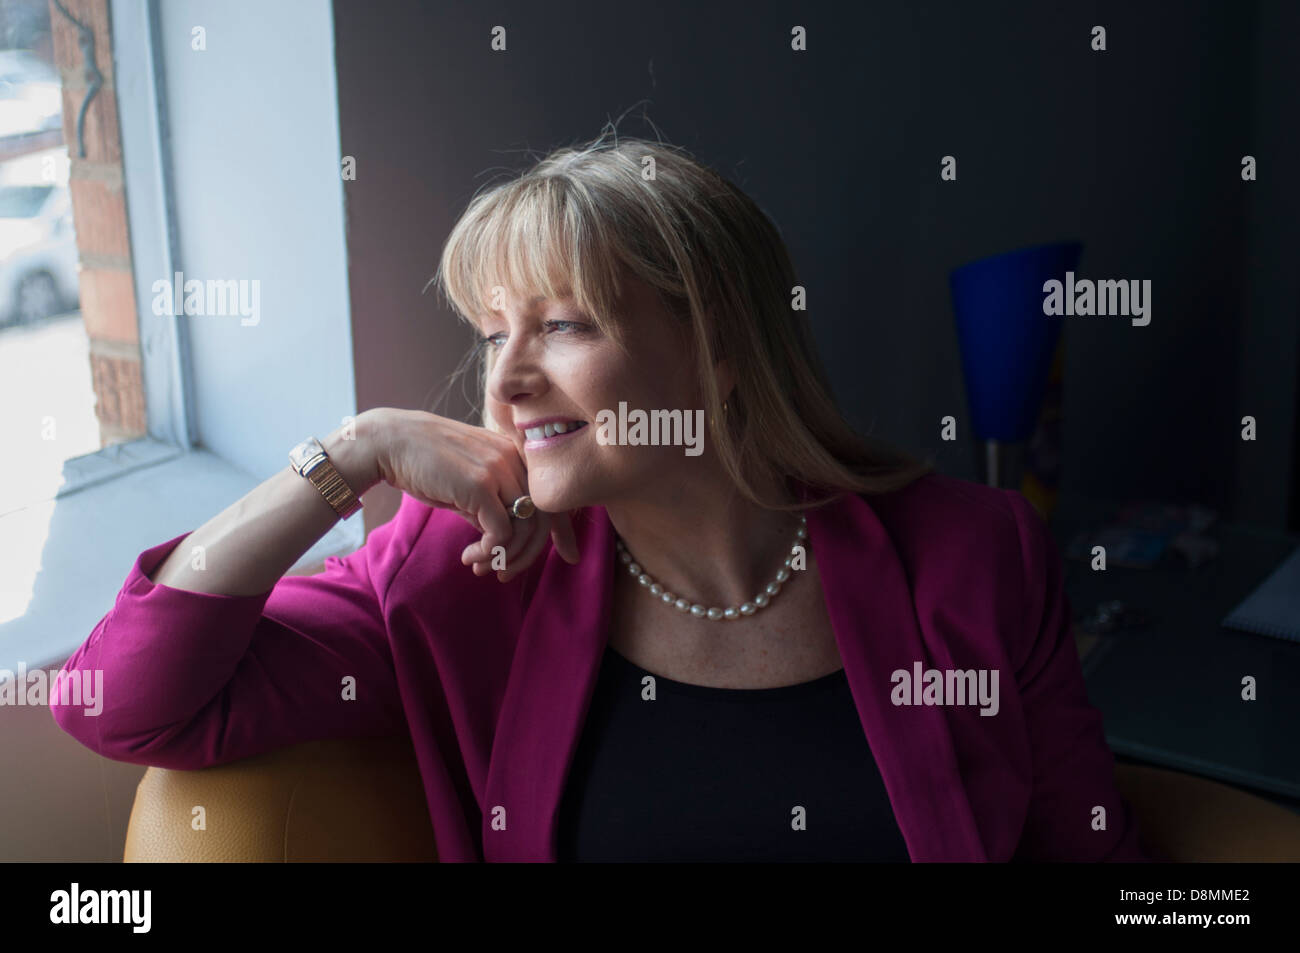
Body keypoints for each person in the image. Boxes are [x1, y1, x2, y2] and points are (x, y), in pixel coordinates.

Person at [50, 132, 1155, 862]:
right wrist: (351, 452)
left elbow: (1092, 850)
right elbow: (124, 698)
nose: (506, 380)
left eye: (564, 324)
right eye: (493, 334)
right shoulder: (459, 573)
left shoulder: (975, 552)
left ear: (720, 348)